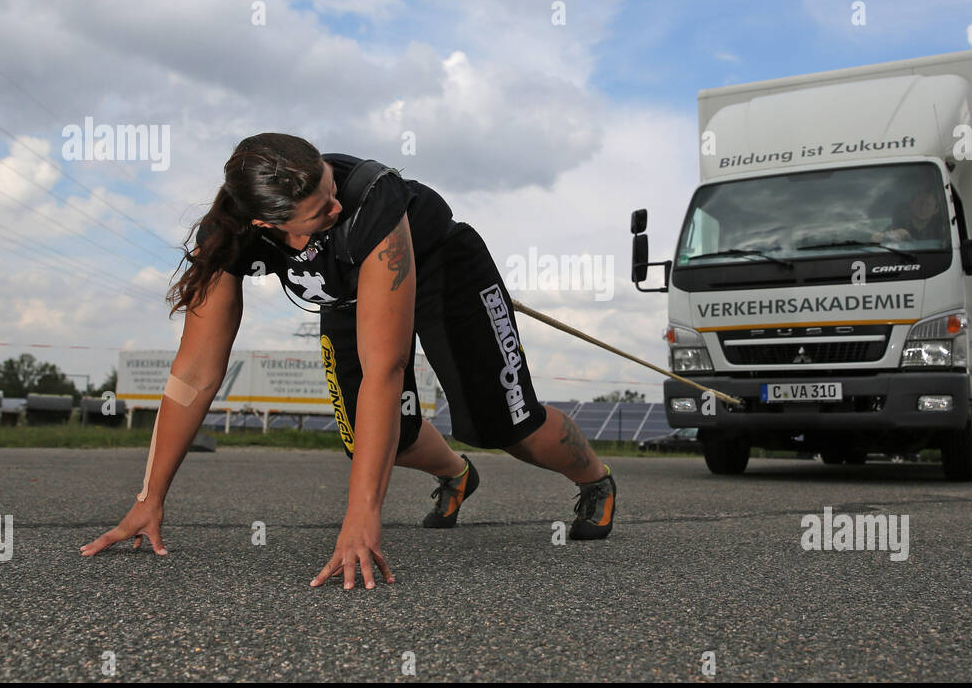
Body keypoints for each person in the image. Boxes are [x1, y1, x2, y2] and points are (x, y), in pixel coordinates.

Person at [80, 132, 616, 589]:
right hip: (348, 289)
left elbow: (385, 370)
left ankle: (594, 479)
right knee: (377, 439)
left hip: (439, 270)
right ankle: (457, 474)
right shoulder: (227, 239)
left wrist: (363, 517)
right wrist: (149, 499)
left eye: (330, 190)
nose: (336, 207)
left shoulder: (370, 202)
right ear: (268, 228)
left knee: (501, 423)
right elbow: (194, 373)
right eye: (320, 211)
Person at [872, 181, 948, 244]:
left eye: (928, 205)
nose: (923, 207)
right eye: (920, 203)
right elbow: (878, 239)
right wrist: (881, 237)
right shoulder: (897, 225)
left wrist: (908, 238)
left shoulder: (942, 230)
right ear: (911, 205)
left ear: (936, 210)